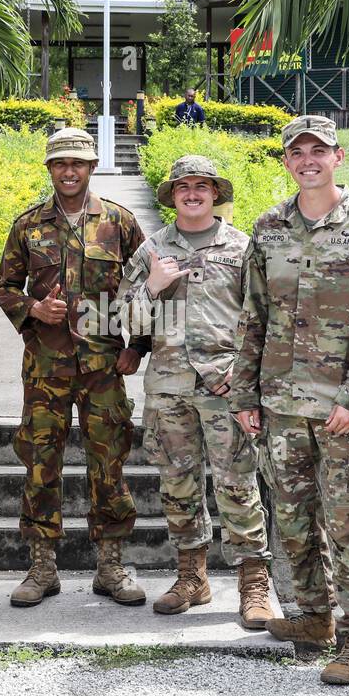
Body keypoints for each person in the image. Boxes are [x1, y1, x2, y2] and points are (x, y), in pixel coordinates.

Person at [231, 115, 349, 686]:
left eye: (319, 150)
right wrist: (245, 391)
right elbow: (253, 315)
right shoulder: (269, 227)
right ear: (286, 161)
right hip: (281, 403)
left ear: (339, 157)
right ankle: (312, 617)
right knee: (294, 518)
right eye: (297, 152)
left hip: (340, 409)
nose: (308, 159)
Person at [0, 127, 150, 607]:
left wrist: (138, 345)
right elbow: (3, 287)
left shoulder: (120, 223)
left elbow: (148, 288)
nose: (69, 172)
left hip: (104, 365)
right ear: (49, 168)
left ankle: (110, 565)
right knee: (41, 464)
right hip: (46, 366)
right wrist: (33, 310)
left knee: (110, 461)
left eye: (77, 163)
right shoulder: (28, 226)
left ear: (90, 166)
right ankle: (42, 567)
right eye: (60, 163)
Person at [118, 155, 274, 628]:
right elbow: (124, 318)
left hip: (225, 386)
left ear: (214, 193)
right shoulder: (152, 249)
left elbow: (262, 319)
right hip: (168, 387)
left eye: (201, 186)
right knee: (176, 484)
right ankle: (192, 576)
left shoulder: (242, 247)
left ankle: (254, 585)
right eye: (183, 186)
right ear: (172, 195)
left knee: (237, 484)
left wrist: (245, 378)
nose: (192, 194)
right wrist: (153, 284)